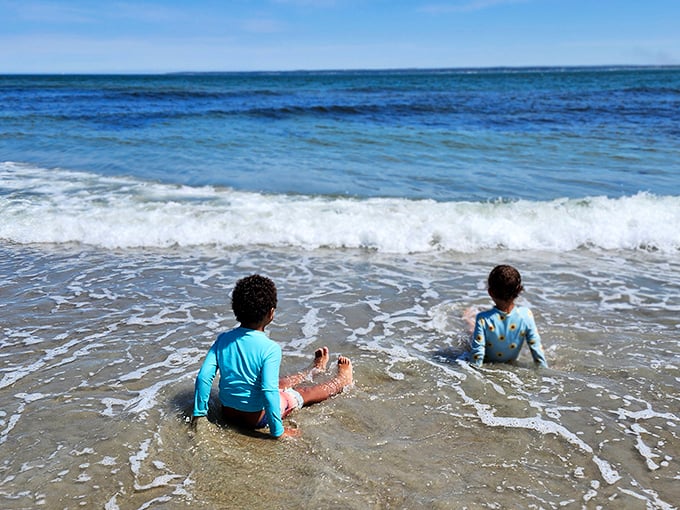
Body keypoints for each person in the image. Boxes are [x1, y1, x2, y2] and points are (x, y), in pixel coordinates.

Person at [191, 274, 353, 438]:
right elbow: (268, 391)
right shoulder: (270, 349)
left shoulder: (223, 340)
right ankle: (340, 381)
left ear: (235, 309)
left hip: (228, 413)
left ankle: (313, 370)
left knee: (278, 383)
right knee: (304, 392)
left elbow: (204, 377)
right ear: (271, 313)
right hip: (257, 418)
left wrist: (200, 414)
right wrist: (278, 431)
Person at [460, 265, 548, 368]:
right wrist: (544, 371)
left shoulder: (482, 319)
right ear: (519, 290)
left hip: (488, 359)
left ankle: (467, 318)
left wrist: (474, 373)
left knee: (470, 333)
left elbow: (477, 353)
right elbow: (536, 348)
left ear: (490, 292)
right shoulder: (526, 315)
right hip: (509, 361)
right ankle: (469, 317)